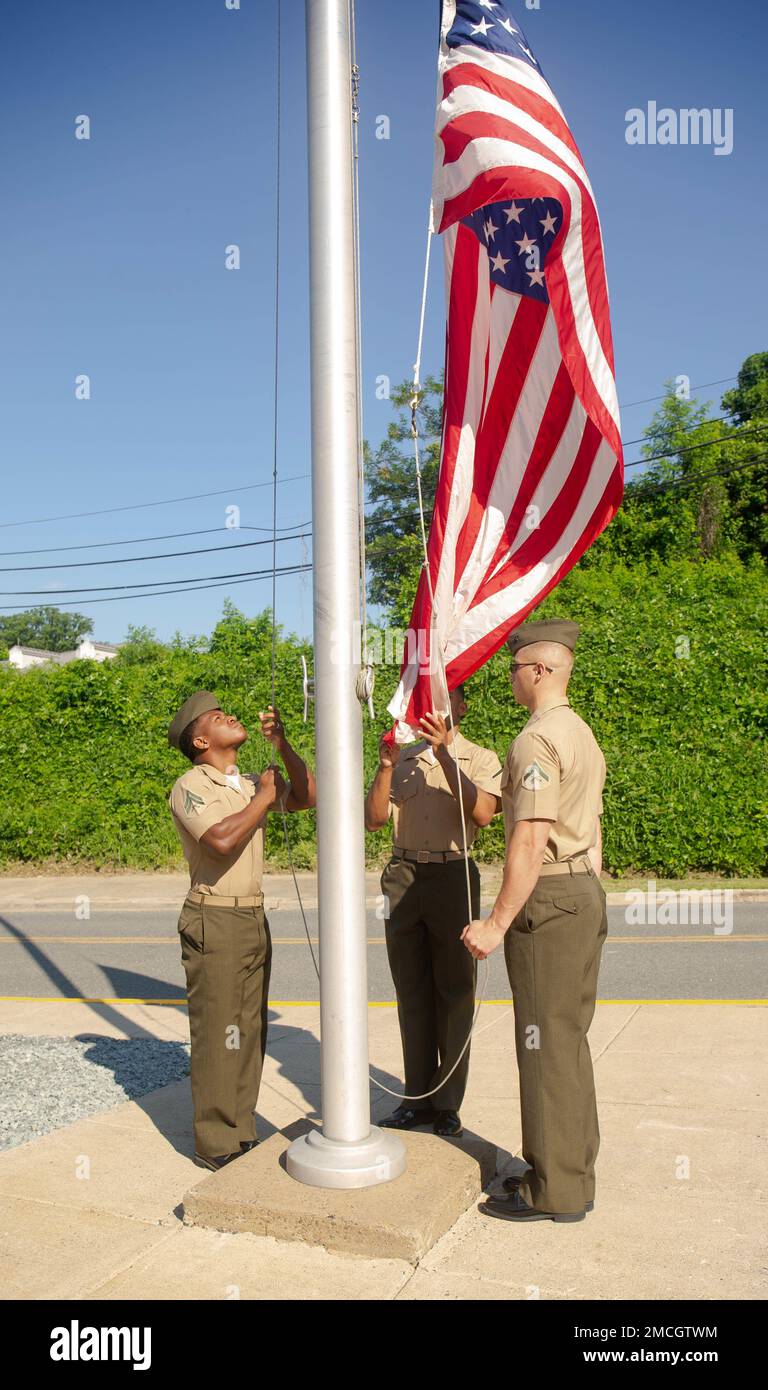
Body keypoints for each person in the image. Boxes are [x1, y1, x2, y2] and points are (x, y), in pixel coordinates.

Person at [462, 619, 608, 1223]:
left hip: (549, 901)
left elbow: (528, 838)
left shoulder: (536, 740)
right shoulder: (580, 732)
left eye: (516, 667)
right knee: (567, 1041)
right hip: (580, 889)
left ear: (540, 671)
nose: (511, 676)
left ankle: (554, 1190)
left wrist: (495, 923)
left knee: (544, 1045)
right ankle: (572, 1169)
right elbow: (590, 829)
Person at [167, 691, 316, 1171]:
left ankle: (241, 1129)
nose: (229, 714)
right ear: (201, 739)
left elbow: (308, 796)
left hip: (251, 914)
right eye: (216, 716)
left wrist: (284, 748)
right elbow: (221, 840)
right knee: (218, 1029)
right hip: (214, 917)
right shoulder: (191, 785)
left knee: (248, 1028)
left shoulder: (247, 782)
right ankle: (216, 1142)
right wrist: (265, 798)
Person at [365, 683, 502, 1138]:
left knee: (455, 991)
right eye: (429, 702)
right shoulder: (403, 757)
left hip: (453, 875)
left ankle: (447, 1103)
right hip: (403, 874)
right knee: (412, 989)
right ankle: (417, 1098)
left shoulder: (480, 757)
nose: (436, 710)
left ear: (462, 706)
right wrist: (385, 766)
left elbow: (482, 813)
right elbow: (375, 818)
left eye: (447, 700)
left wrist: (445, 755)